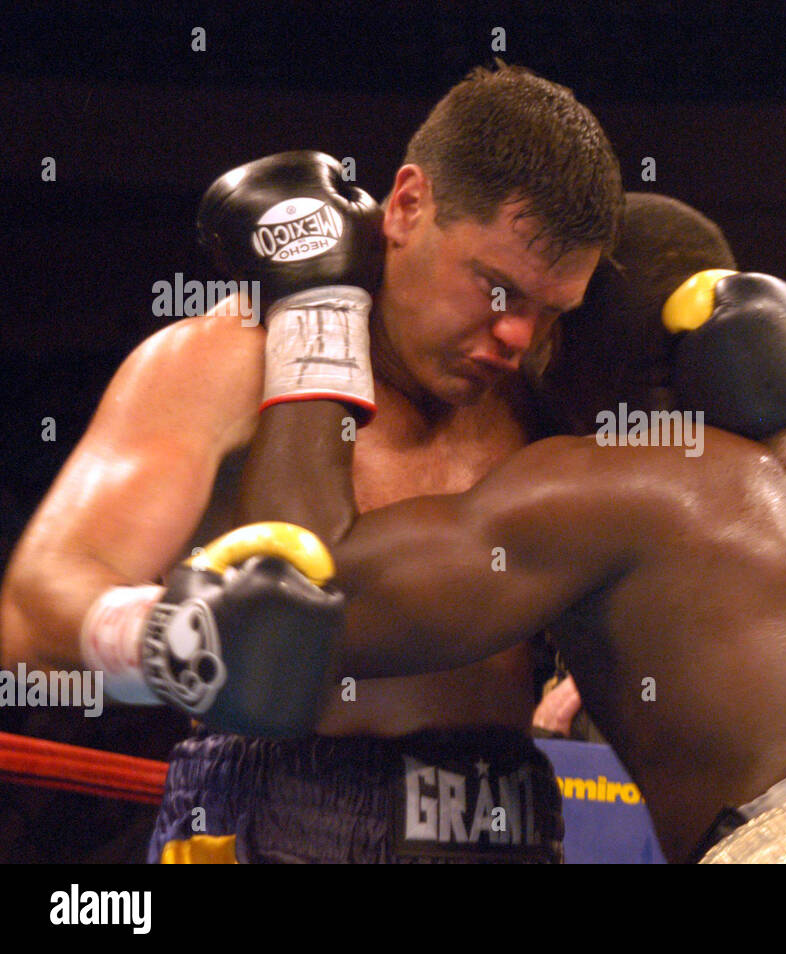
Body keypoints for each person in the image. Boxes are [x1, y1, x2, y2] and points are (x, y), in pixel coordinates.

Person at [177, 192, 786, 863]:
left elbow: (301, 595)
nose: (514, 350)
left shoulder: (598, 480)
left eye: (543, 319)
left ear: (577, 341)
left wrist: (313, 297)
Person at [0, 62, 624, 863]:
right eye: (496, 288)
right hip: (277, 808)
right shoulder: (230, 357)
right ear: (407, 206)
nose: (518, 335)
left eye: (548, 310)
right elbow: (33, 606)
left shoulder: (542, 398)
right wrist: (172, 638)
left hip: (504, 817)